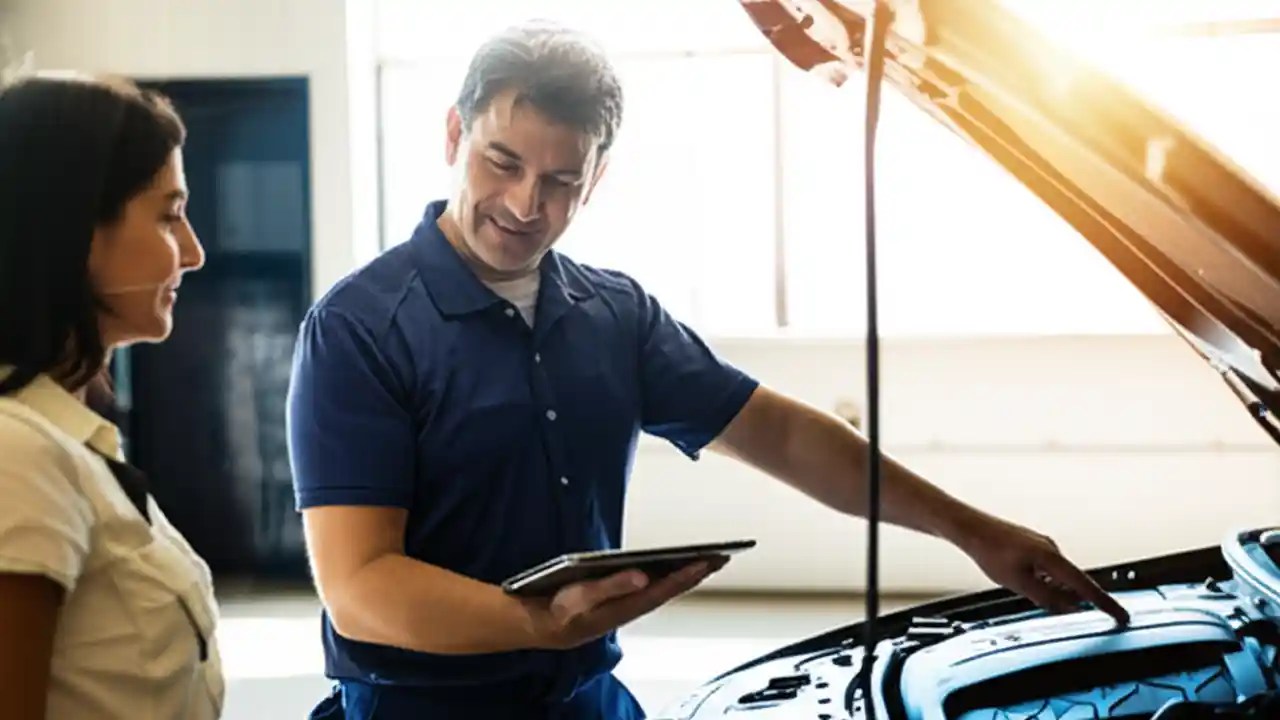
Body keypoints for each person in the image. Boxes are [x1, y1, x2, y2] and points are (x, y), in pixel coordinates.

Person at [286, 20, 1128, 719]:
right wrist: (537, 625)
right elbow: (360, 587)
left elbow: (784, 435)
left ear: (597, 179)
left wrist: (973, 532)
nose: (524, 205)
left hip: (587, 700)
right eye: (501, 163)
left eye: (560, 180)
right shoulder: (359, 330)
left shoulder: (614, 314)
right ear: (452, 136)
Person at [0, 73, 219, 719]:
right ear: (75, 228)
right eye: (170, 215)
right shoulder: (19, 455)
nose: (194, 253)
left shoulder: (67, 439)